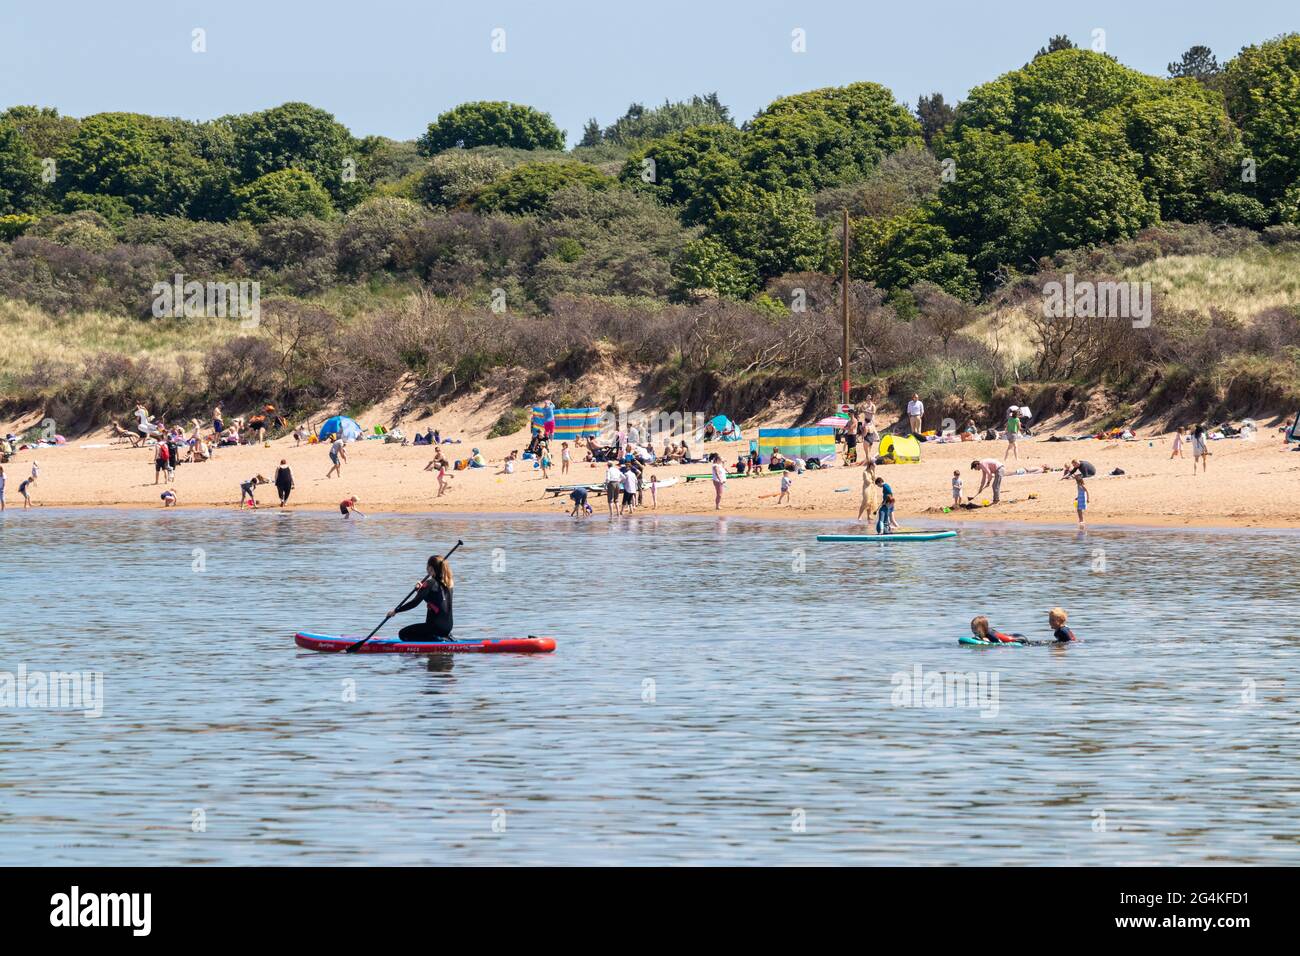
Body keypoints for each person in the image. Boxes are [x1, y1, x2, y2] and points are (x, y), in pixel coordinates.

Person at [387, 555, 455, 642]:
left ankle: (436, 639)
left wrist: (395, 611)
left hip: (435, 627)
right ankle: (444, 637)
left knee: (403, 634)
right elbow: (435, 601)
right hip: (448, 627)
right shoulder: (449, 584)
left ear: (430, 568)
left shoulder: (429, 583)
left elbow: (414, 603)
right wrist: (420, 591)